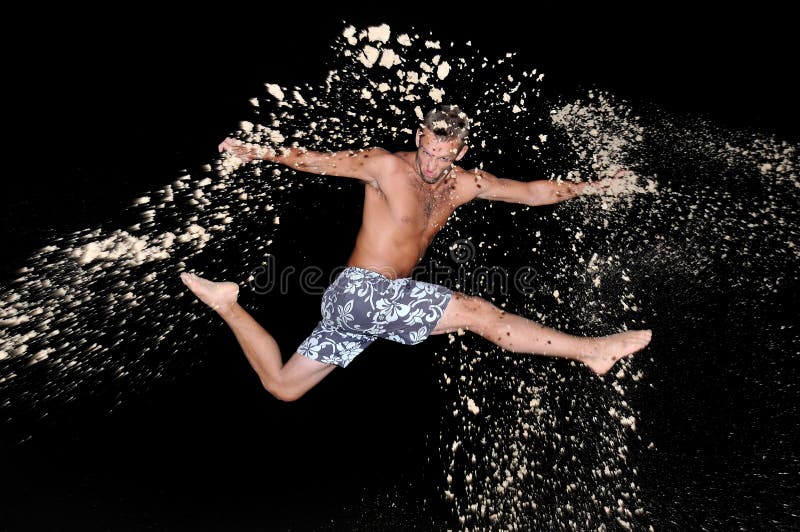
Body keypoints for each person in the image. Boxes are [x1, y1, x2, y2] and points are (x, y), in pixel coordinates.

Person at [180, 105, 652, 401]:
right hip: (361, 293)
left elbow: (531, 192)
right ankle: (592, 350)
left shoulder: (464, 184)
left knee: (284, 386)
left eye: (443, 156)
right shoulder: (383, 165)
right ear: (419, 137)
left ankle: (226, 304)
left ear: (460, 151)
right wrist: (256, 151)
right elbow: (313, 161)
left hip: (360, 309)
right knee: (476, 313)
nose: (431, 164)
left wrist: (596, 187)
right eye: (427, 149)